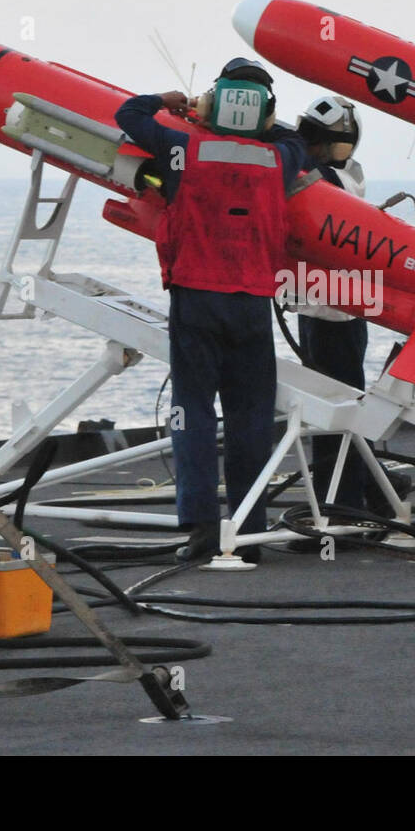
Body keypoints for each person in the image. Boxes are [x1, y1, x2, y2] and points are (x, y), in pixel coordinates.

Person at [115, 58, 308, 563]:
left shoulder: (183, 146)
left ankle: (202, 528)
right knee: (250, 418)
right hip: (252, 303)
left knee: (193, 412)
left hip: (196, 296)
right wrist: (258, 119)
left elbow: (128, 115)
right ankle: (248, 531)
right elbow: (296, 137)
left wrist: (175, 104)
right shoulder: (280, 157)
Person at [287, 95, 396, 518]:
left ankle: (347, 503)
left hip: (332, 314)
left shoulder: (326, 181)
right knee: (338, 410)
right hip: (331, 311)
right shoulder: (344, 178)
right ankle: (361, 496)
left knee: (335, 413)